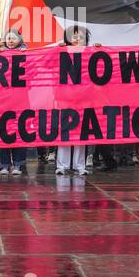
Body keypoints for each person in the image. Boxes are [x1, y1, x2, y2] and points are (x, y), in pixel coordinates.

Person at [55, 25, 92, 176]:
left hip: (84, 98)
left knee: (81, 132)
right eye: (74, 36)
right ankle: (62, 165)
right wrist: (57, 50)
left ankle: (79, 165)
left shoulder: (90, 53)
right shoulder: (61, 52)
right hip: (65, 98)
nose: (77, 39)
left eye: (80, 37)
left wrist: (99, 50)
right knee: (65, 131)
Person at [0, 31, 28, 176]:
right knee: (4, 132)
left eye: (13, 38)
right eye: (8, 38)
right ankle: (4, 164)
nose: (10, 41)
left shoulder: (28, 53)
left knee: (20, 131)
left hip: (21, 100)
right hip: (3, 100)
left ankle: (18, 164)